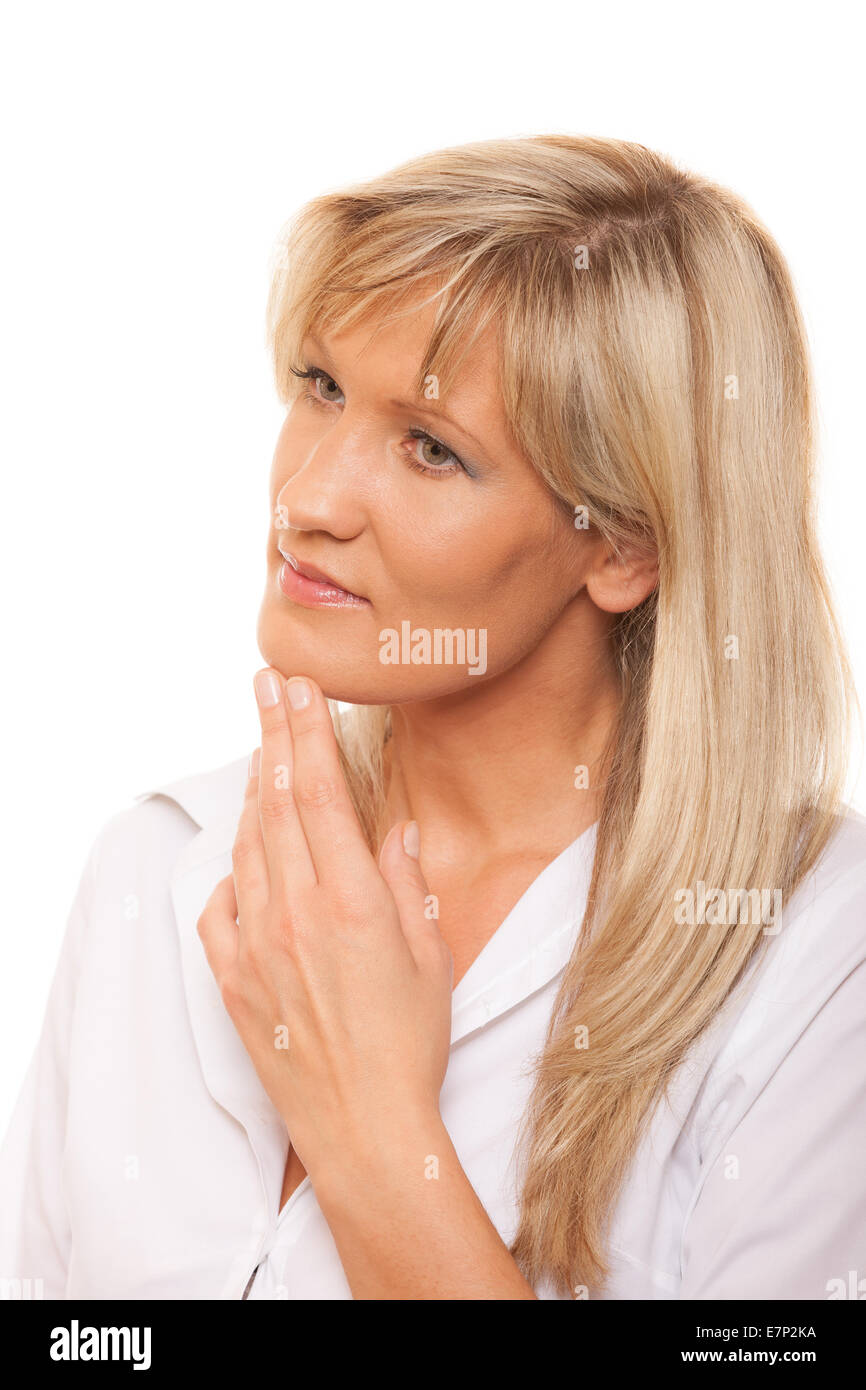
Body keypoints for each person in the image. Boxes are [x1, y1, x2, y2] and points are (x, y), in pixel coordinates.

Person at [2, 134, 864, 1301]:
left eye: (428, 448)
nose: (303, 501)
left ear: (621, 543)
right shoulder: (152, 865)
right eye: (319, 386)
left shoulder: (809, 947)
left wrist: (368, 1128)